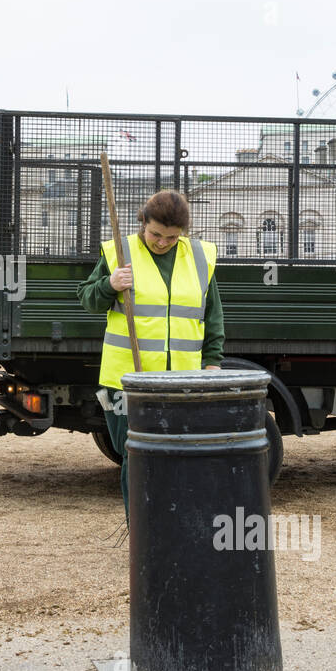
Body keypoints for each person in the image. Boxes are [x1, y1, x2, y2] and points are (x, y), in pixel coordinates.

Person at [77, 190, 224, 522]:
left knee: (181, 453)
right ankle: (143, 532)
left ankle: (176, 526)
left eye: (172, 237)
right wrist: (109, 284)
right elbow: (86, 298)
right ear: (142, 221)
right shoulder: (120, 251)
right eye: (156, 234)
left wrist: (212, 362)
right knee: (135, 453)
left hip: (183, 381)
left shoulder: (199, 257)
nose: (162, 242)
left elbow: (212, 315)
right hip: (124, 381)